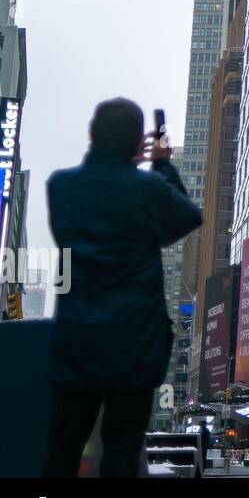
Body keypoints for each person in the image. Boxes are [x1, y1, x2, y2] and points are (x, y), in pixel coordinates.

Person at [44, 99, 203, 478]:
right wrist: (161, 164)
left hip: (78, 341)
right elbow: (186, 216)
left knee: (64, 444)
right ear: (137, 143)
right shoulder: (148, 189)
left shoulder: (61, 187)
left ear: (92, 134)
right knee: (122, 449)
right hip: (135, 343)